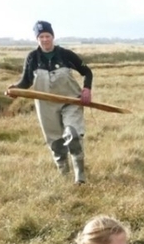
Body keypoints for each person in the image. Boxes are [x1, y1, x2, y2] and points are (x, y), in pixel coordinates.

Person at [6, 20, 93, 184]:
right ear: (37, 39)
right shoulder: (32, 58)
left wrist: (87, 89)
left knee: (73, 134)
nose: (45, 39)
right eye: (41, 37)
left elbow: (87, 71)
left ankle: (80, 177)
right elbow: (26, 81)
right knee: (56, 142)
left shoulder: (66, 54)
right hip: (45, 105)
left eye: (47, 36)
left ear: (53, 36)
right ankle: (64, 176)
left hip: (71, 101)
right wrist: (16, 89)